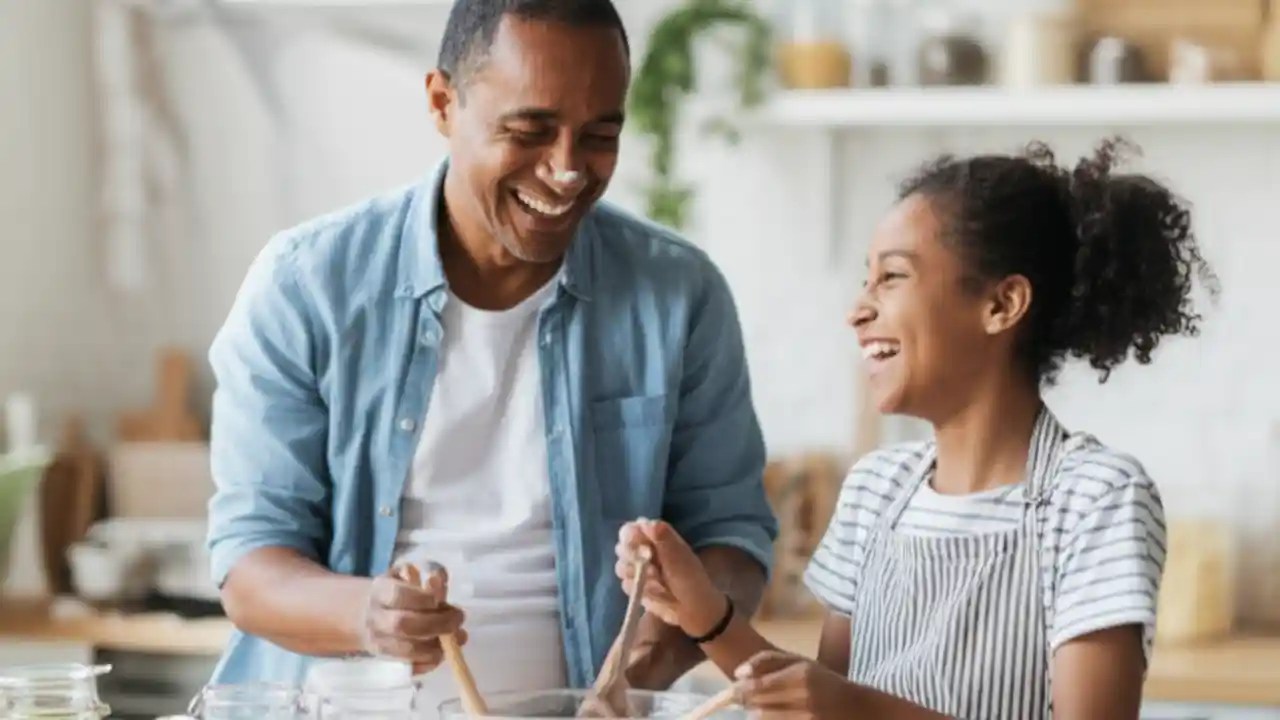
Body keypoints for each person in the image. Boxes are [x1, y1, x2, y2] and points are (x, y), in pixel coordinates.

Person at [205, 0, 777, 707]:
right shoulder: (306, 284)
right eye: (529, 131)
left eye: (599, 135)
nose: (568, 170)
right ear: (443, 103)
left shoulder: (679, 295)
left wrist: (653, 654)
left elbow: (734, 540)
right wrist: (365, 613)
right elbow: (249, 567)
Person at [616, 138, 1217, 719]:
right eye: (865, 279)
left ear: (1002, 305)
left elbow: (843, 707)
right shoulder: (876, 489)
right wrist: (704, 613)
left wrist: (858, 710)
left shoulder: (1094, 499)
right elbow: (818, 704)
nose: (858, 309)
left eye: (893, 277)